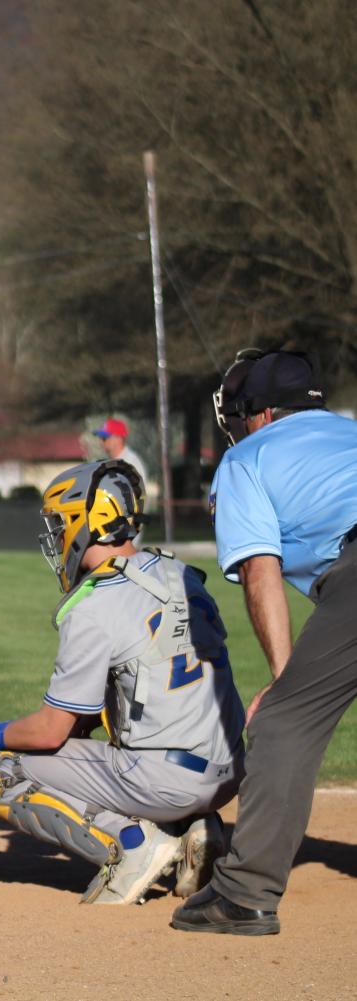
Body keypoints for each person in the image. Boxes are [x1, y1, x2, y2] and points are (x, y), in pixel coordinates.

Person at [0, 460, 245, 905]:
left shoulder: (95, 603)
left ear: (87, 522)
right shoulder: (179, 573)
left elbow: (53, 729)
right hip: (229, 771)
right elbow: (93, 715)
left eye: (60, 522)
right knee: (125, 738)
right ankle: (195, 828)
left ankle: (132, 845)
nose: (56, 536)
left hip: (168, 779)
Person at [172, 349, 357, 935]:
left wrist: (282, 681)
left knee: (282, 724)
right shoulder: (349, 434)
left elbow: (259, 569)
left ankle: (243, 894)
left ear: (261, 413)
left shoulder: (247, 457)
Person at [92, 417, 149, 486]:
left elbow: (137, 494)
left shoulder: (131, 463)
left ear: (118, 438)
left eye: (104, 438)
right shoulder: (109, 461)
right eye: (100, 438)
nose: (101, 442)